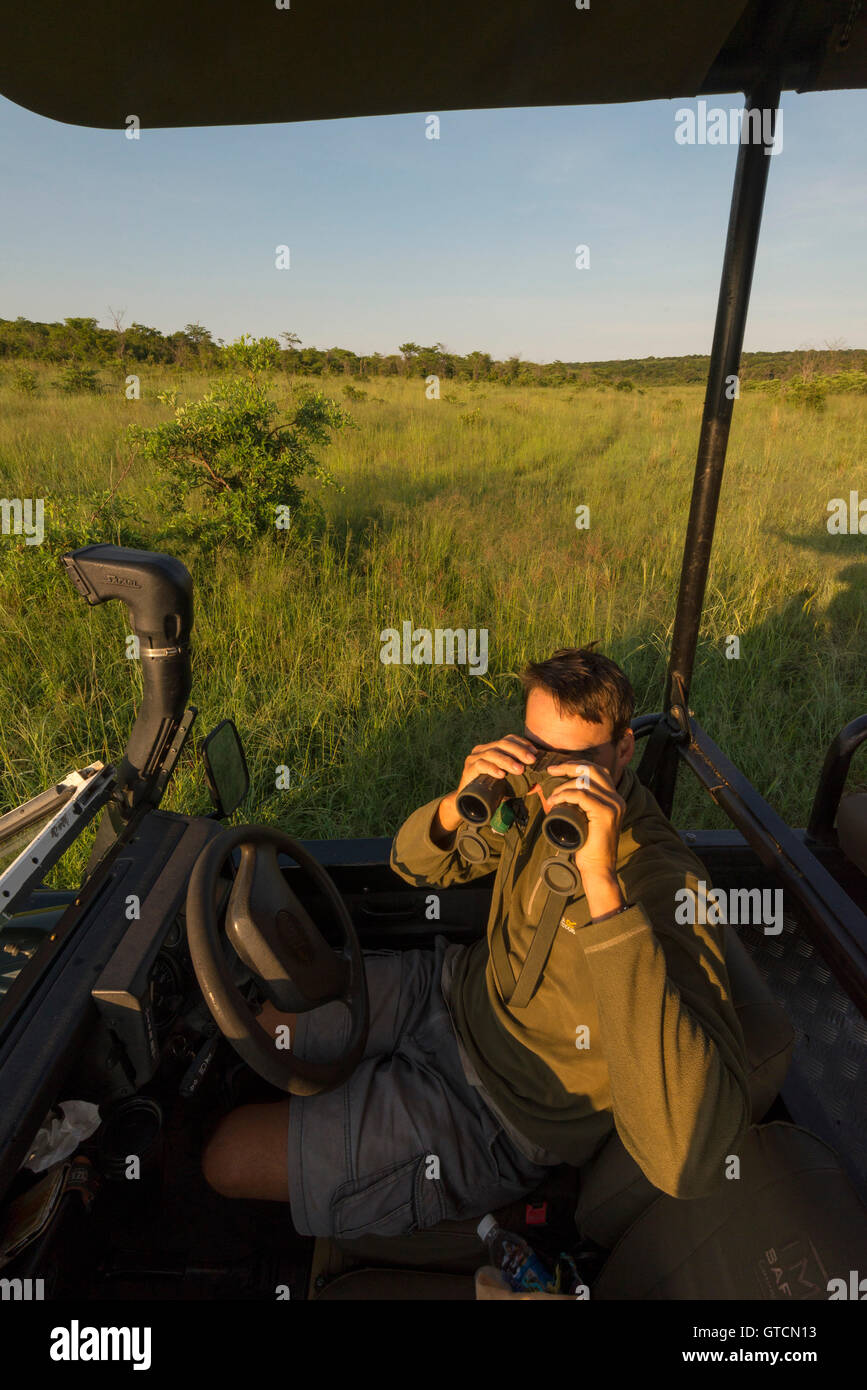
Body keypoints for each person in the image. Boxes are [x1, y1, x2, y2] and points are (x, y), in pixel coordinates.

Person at [201, 645, 751, 1242]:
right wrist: (452, 806)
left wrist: (602, 885)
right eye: (538, 751)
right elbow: (416, 868)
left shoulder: (667, 880)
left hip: (497, 1113)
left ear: (624, 749)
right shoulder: (531, 801)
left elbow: (689, 1160)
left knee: (227, 1157)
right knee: (256, 1024)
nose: (550, 779)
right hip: (448, 993)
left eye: (576, 761)